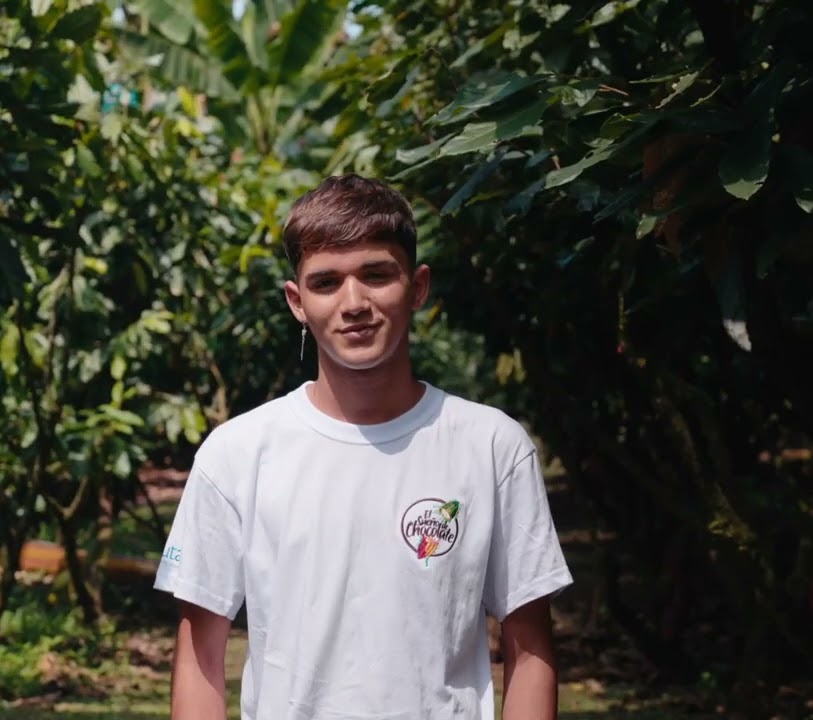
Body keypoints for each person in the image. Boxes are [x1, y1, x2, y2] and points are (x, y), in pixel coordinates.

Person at [152, 174, 573, 719]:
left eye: (376, 275)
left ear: (417, 286)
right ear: (297, 301)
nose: (354, 303)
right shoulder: (236, 455)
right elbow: (199, 660)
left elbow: (530, 649)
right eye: (326, 282)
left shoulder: (492, 448)